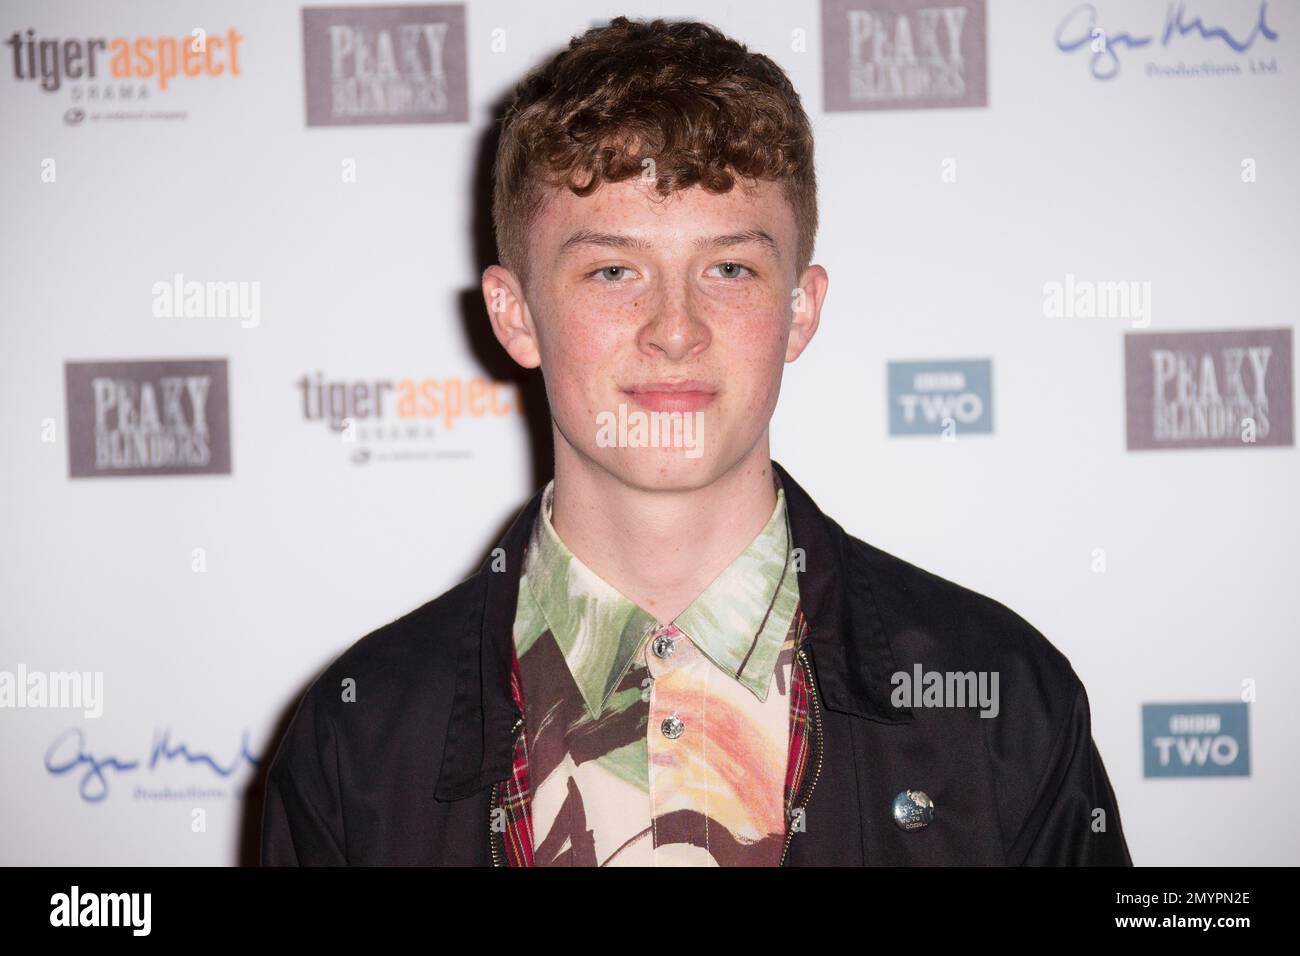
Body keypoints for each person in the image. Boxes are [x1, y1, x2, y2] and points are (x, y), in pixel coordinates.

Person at [260, 15, 1132, 866]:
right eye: (612, 271)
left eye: (728, 269)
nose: (674, 330)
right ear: (515, 315)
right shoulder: (358, 741)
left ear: (801, 309)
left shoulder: (999, 706)